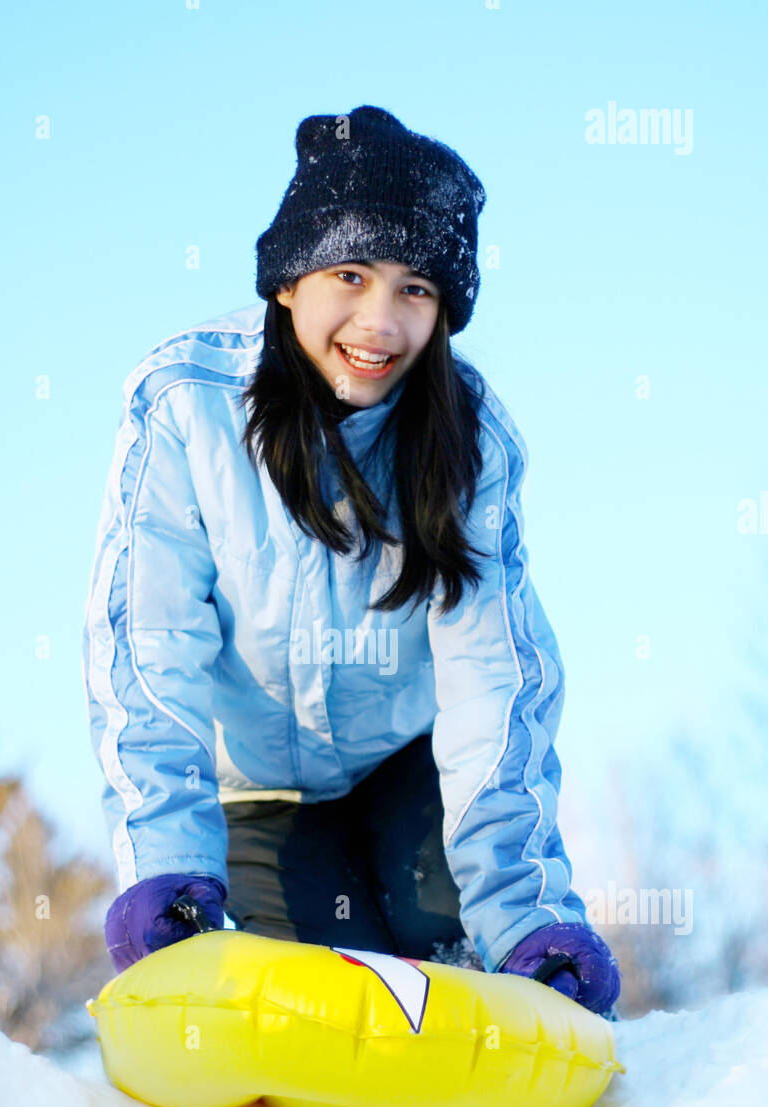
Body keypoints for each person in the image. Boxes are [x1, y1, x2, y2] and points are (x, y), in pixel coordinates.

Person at [82, 104, 620, 1018]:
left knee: (447, 966)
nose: (380, 321)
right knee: (326, 993)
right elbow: (148, 644)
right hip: (254, 787)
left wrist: (528, 916)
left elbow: (495, 680)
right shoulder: (186, 406)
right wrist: (167, 865)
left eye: (415, 289)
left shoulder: (468, 441)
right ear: (287, 281)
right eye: (349, 273)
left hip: (409, 771)